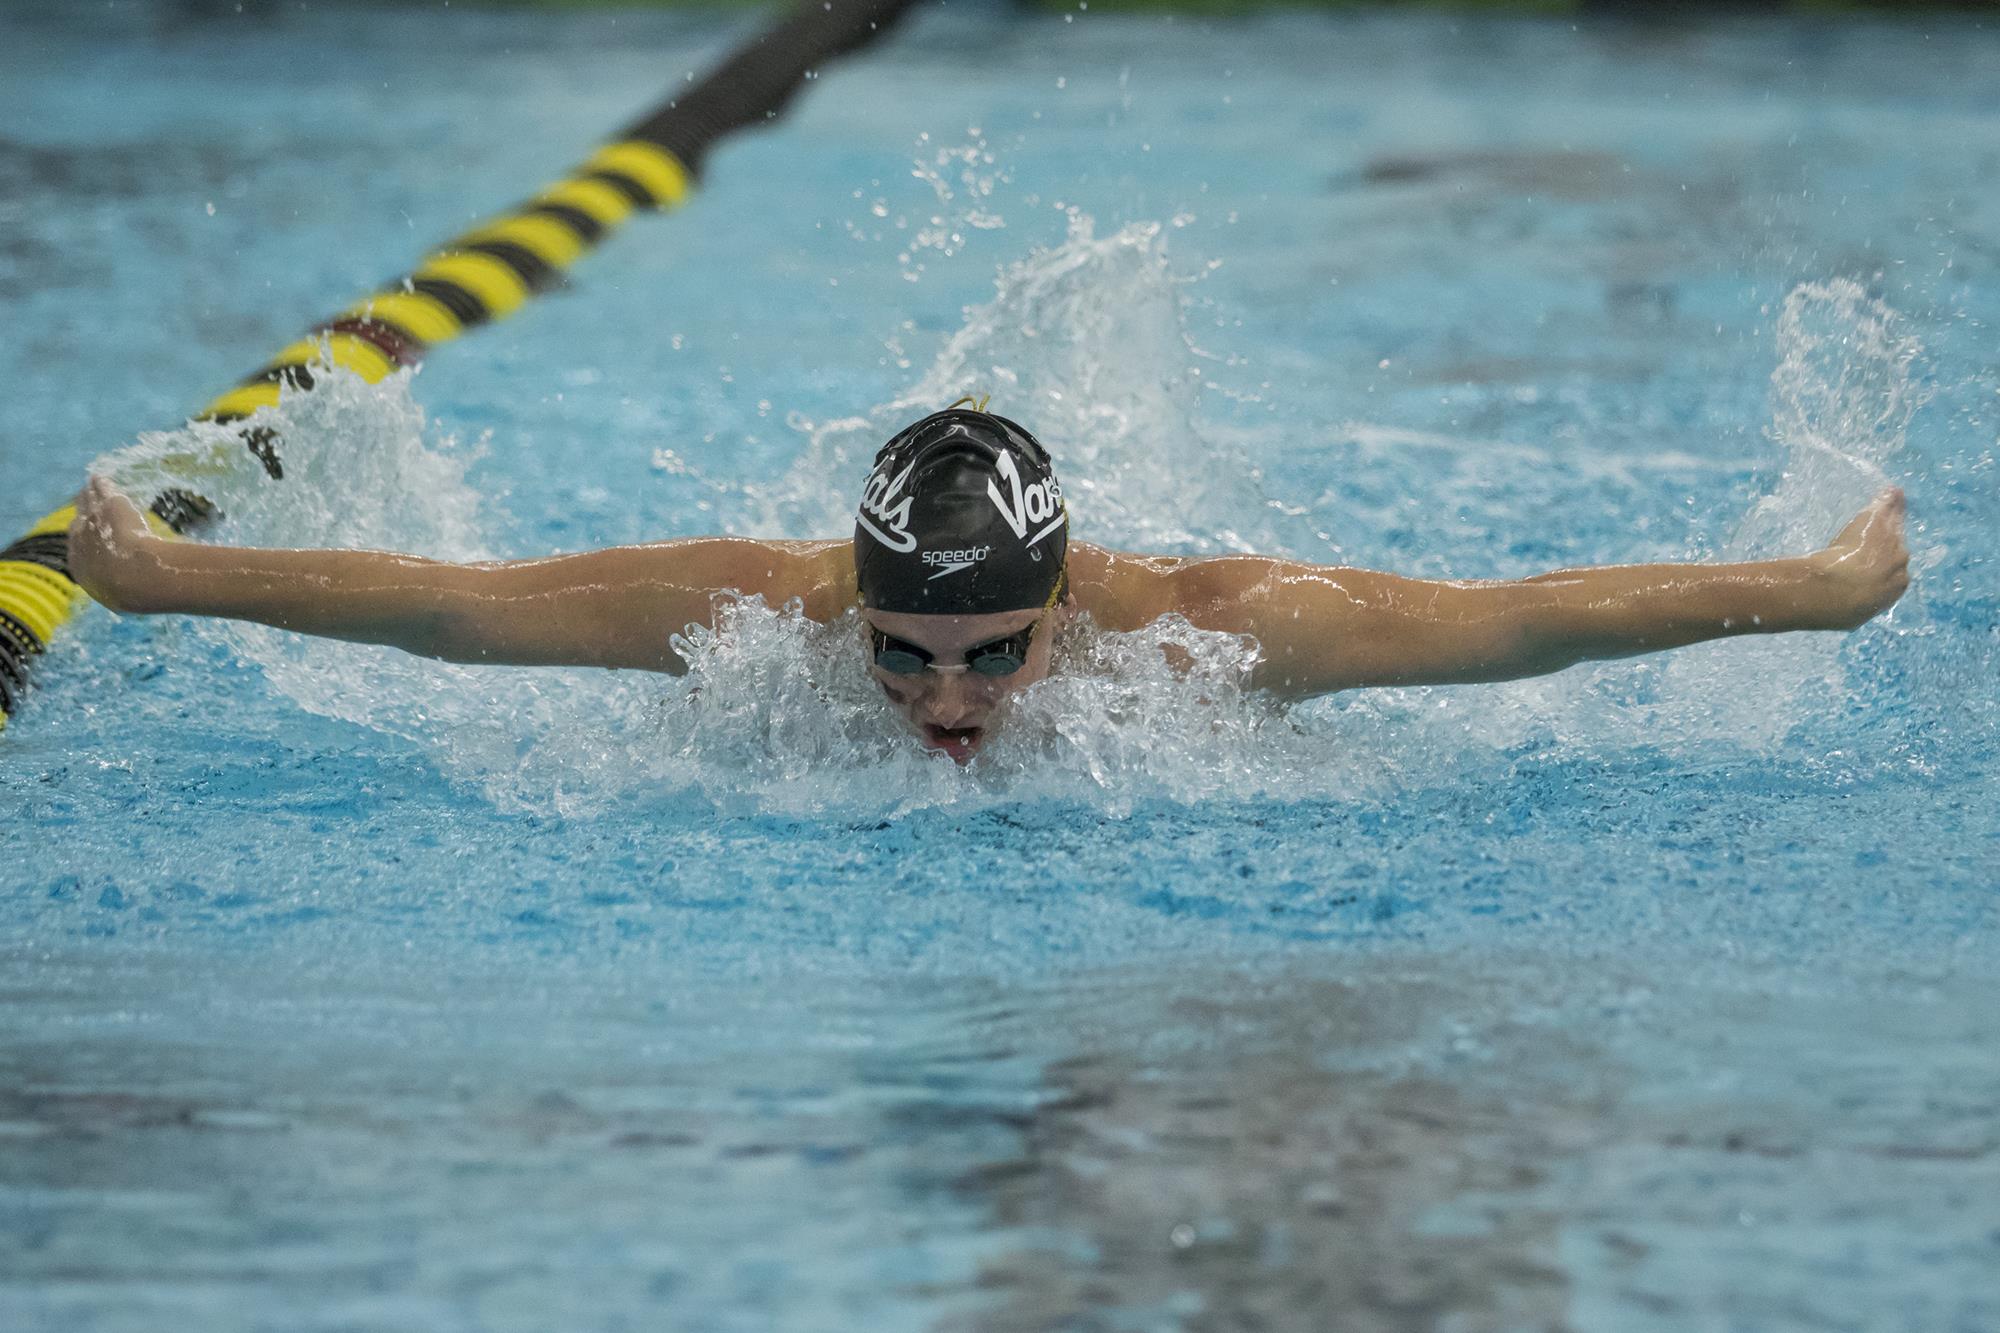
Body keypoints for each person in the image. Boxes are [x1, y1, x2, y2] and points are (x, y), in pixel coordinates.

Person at [67, 405, 1910, 764]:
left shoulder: (1202, 630)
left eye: (990, 654)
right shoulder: (768, 607)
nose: (945, 701)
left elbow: (1517, 619)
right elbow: (461, 606)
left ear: (1064, 598)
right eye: (905, 654)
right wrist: (158, 589)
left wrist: (1815, 588)